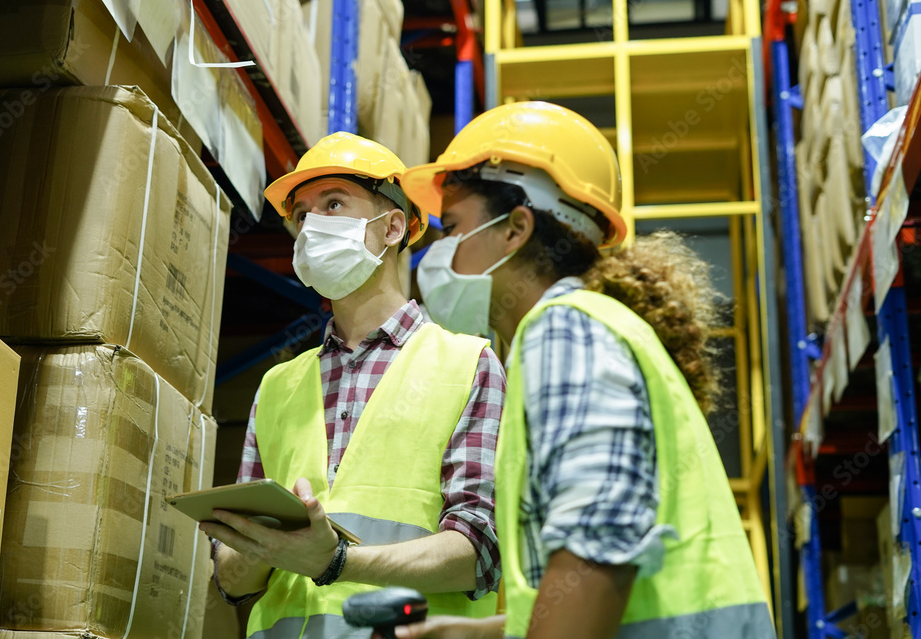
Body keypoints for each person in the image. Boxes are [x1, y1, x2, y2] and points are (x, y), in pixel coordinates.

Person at [391, 102, 775, 638]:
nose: (438, 254)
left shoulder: (563, 330)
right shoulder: (592, 325)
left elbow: (598, 543)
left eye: (451, 228)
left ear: (515, 229)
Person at [200, 132, 502, 638]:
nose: (312, 226)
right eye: (301, 216)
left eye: (334, 203)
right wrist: (248, 545)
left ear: (392, 228)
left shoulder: (469, 363)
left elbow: (479, 551)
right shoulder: (278, 386)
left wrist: (335, 560)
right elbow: (232, 582)